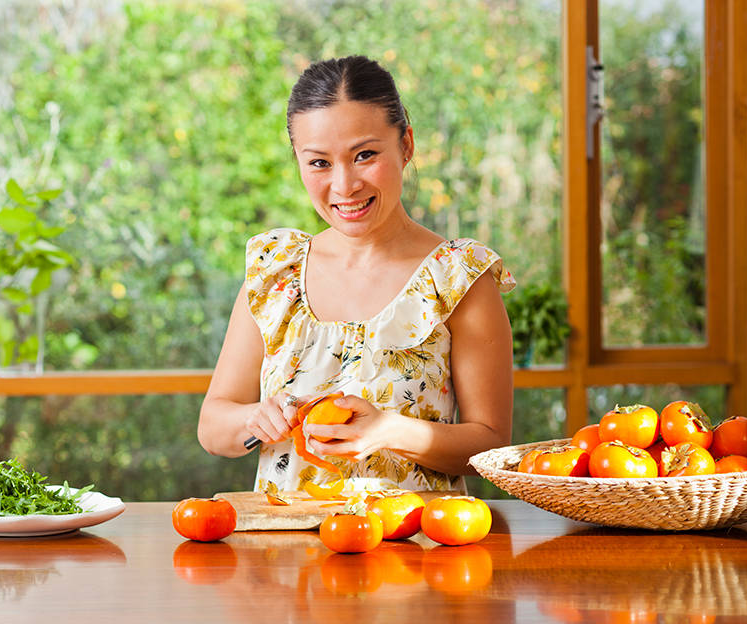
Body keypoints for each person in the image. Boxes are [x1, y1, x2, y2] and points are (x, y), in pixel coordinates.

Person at [197, 55, 515, 494]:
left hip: (414, 548)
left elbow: (492, 445)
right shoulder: (276, 270)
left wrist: (389, 432)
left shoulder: (459, 277)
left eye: (364, 155)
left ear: (406, 145)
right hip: (285, 554)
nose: (345, 186)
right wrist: (255, 419)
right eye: (319, 163)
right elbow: (213, 425)